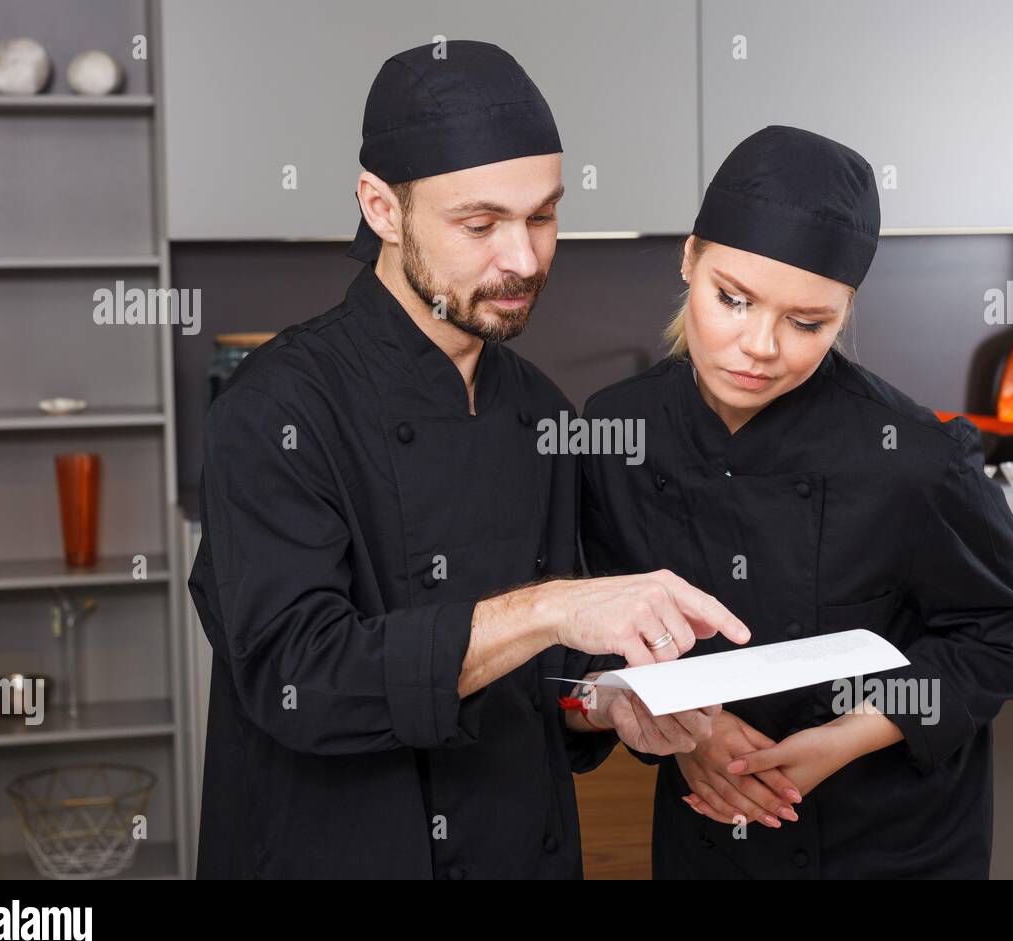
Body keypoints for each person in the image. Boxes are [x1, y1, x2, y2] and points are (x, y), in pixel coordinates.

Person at [188, 40, 746, 880]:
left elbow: (547, 691)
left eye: (544, 215)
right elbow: (300, 679)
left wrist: (609, 706)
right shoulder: (276, 411)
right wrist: (552, 609)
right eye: (480, 225)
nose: (523, 259)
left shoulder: (543, 415)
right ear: (381, 208)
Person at [579, 126, 1013, 879]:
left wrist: (849, 737)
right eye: (732, 300)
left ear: (846, 311)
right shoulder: (613, 436)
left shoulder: (916, 455)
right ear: (689, 258)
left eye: (808, 323)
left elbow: (1006, 638)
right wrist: (689, 731)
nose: (761, 346)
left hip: (897, 844)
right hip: (711, 840)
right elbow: (589, 636)